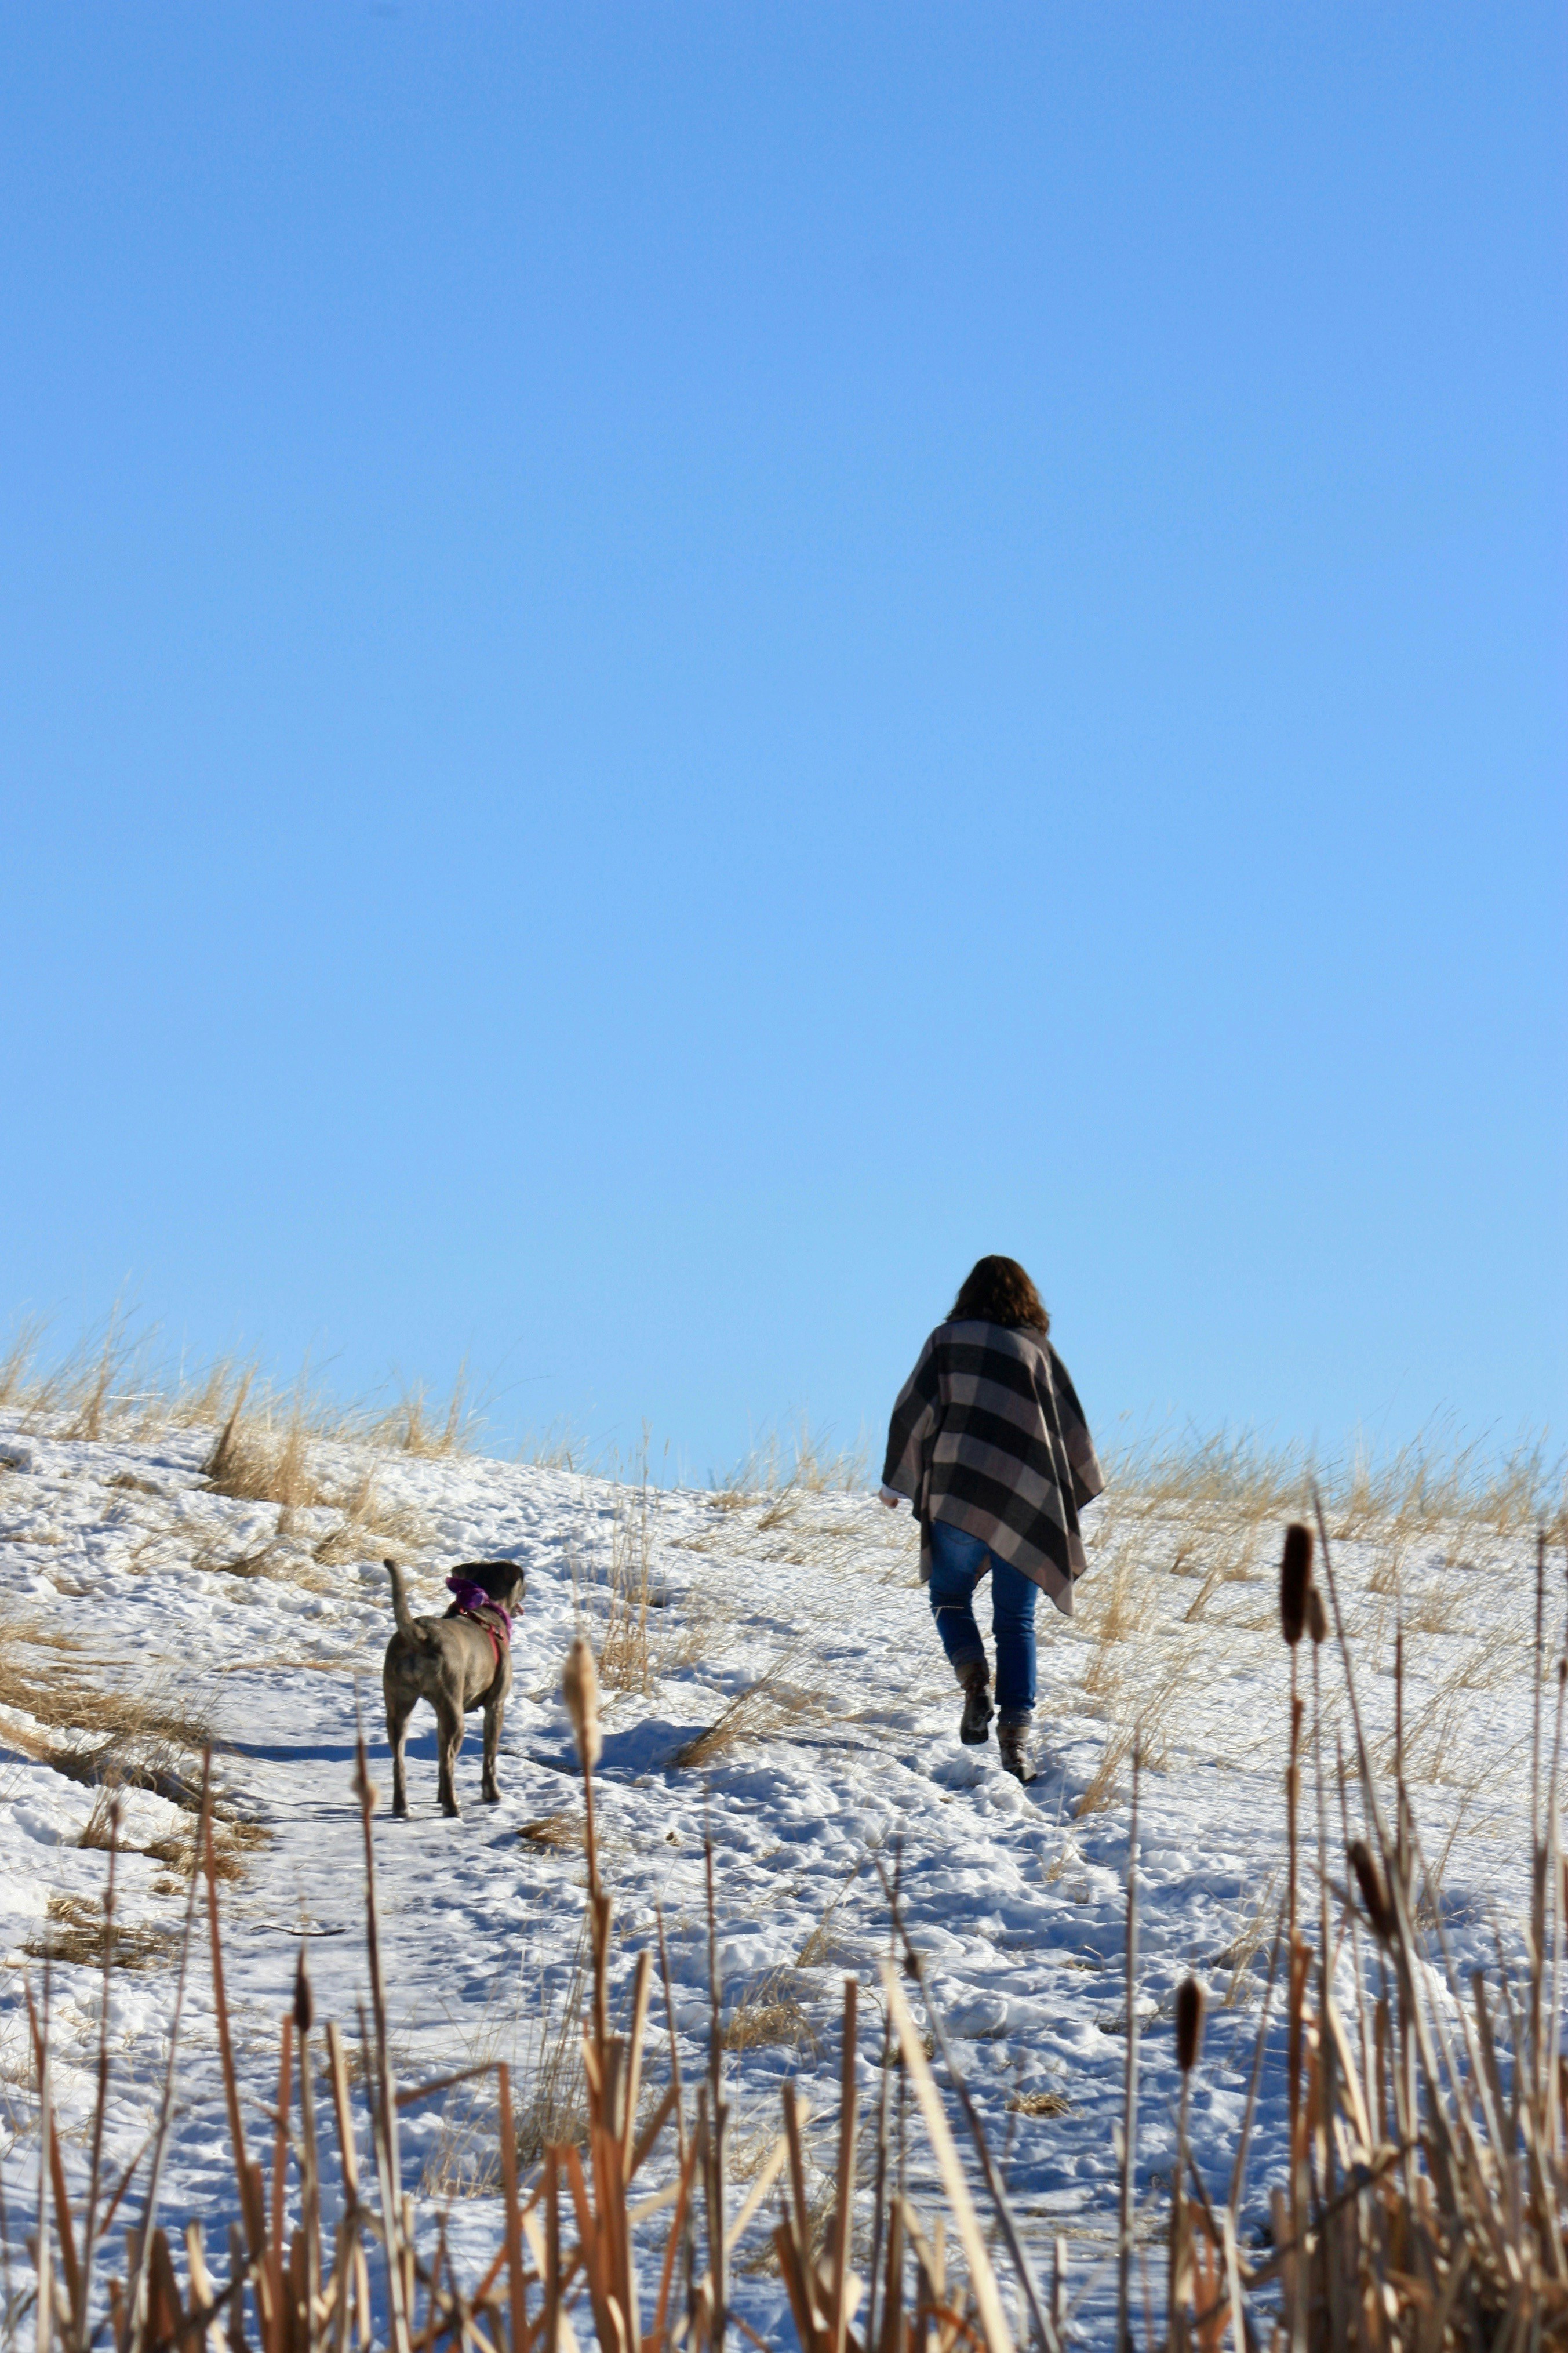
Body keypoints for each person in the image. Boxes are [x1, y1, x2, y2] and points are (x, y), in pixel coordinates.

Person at [879, 1255, 1104, 1782]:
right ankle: (1016, 1741)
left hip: (958, 1494)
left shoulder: (947, 1340)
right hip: (1026, 1502)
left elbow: (914, 1409)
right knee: (1015, 1622)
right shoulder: (1036, 1351)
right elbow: (1070, 1432)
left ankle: (974, 1681)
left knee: (950, 1596)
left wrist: (896, 1481)